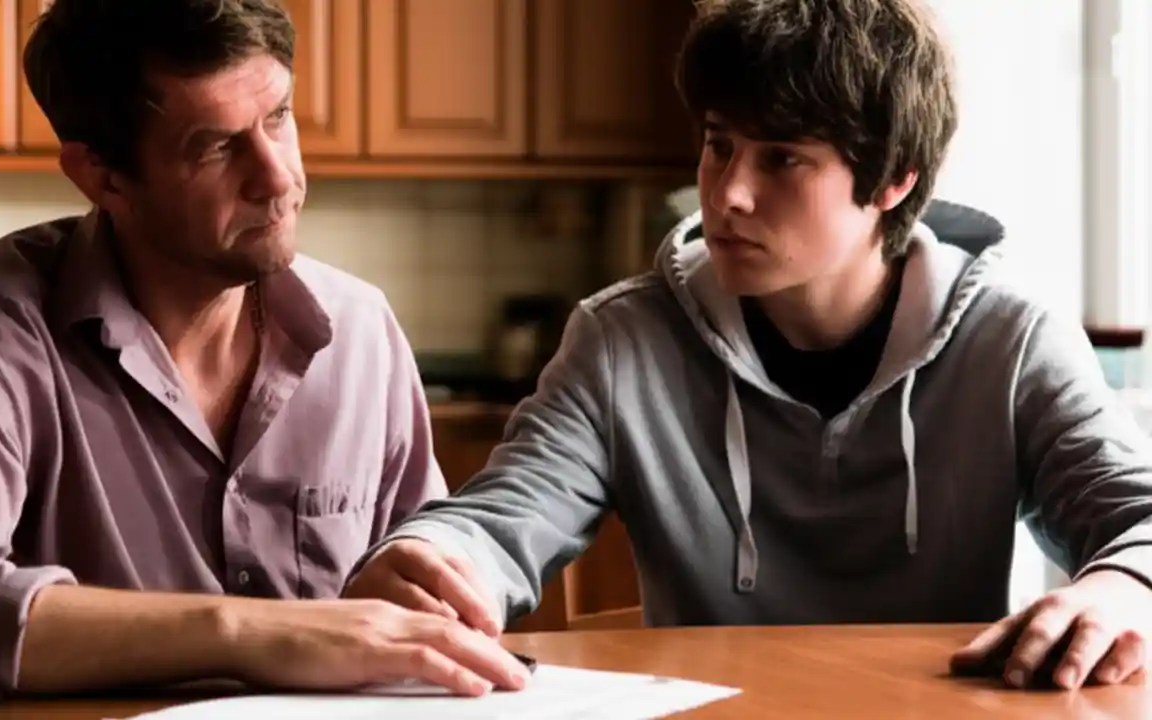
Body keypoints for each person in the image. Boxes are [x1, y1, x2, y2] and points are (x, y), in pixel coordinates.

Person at [345, 0, 1152, 692]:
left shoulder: (1012, 337)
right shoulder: (621, 339)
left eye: (783, 159)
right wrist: (435, 555)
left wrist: (1123, 584)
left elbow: (1139, 518)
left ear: (893, 180)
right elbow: (509, 513)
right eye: (719, 143)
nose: (727, 192)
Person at [0, 0, 528, 712]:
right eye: (216, 147)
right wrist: (245, 631)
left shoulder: (361, 331)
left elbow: (430, 604)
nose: (276, 177)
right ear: (102, 177)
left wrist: (436, 587)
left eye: (278, 117)